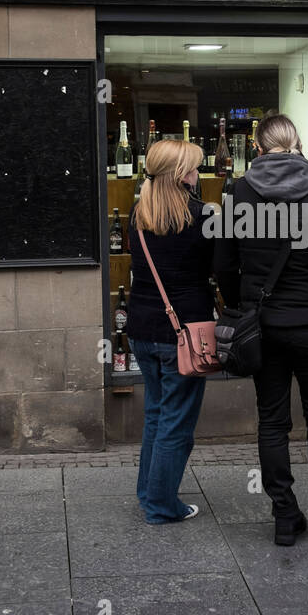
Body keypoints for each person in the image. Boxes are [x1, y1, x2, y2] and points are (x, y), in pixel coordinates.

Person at [215, 115, 308, 546]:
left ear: (258, 149)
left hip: (263, 327)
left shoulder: (237, 196)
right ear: (297, 145)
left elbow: (224, 264)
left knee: (272, 422)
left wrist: (241, 308)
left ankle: (285, 516)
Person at [127, 137, 214, 524]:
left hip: (142, 328)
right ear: (181, 176)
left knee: (156, 414)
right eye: (194, 168)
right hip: (185, 332)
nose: (199, 174)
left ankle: (149, 490)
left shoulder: (138, 215)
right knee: (177, 422)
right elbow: (220, 269)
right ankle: (162, 506)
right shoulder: (204, 217)